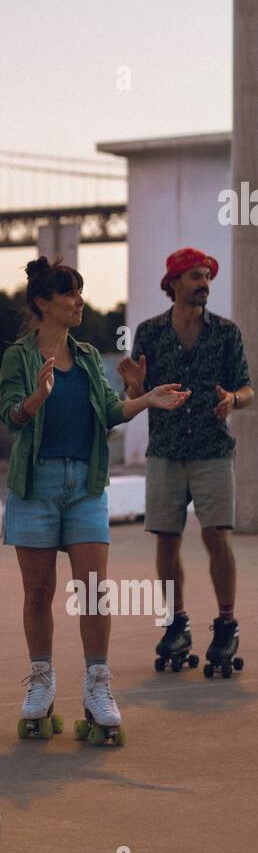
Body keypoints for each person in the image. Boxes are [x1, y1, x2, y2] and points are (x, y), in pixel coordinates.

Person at [0, 257, 189, 745]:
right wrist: (35, 400)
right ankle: (41, 681)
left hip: (85, 484)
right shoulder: (18, 357)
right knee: (38, 592)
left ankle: (98, 683)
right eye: (70, 294)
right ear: (44, 302)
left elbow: (108, 410)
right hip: (35, 486)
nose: (79, 301)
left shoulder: (85, 356)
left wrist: (146, 399)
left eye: (79, 293)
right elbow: (10, 416)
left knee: (93, 589)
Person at [118, 248, 253, 678]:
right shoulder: (150, 333)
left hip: (213, 449)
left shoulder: (226, 333)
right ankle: (176, 623)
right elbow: (132, 400)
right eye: (195, 276)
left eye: (207, 277)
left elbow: (248, 388)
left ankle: (227, 623)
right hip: (167, 450)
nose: (204, 284)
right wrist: (136, 387)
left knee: (217, 535)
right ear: (173, 282)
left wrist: (233, 399)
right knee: (167, 540)